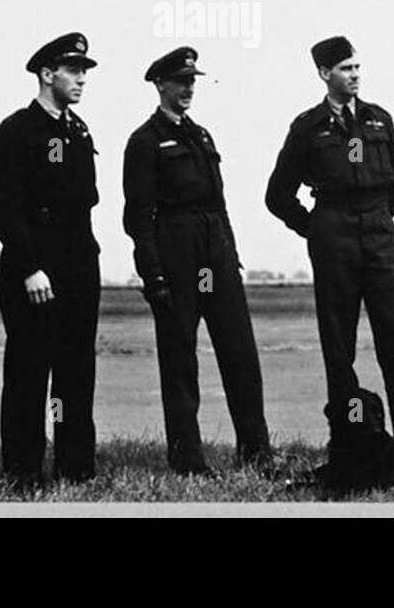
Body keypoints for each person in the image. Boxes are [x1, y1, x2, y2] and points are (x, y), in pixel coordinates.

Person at [265, 36, 394, 472]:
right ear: (324, 74)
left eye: (357, 68)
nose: (354, 75)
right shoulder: (307, 127)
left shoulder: (380, 120)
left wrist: (374, 218)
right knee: (339, 348)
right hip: (333, 235)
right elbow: (277, 195)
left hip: (377, 233)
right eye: (345, 69)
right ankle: (351, 446)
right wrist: (316, 229)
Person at [122, 46, 271, 475]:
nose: (188, 88)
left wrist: (231, 254)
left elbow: (219, 202)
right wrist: (153, 274)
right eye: (180, 81)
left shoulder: (202, 136)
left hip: (214, 255)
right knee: (180, 359)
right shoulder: (145, 142)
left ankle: (257, 453)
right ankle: (188, 458)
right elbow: (138, 216)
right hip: (175, 250)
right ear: (159, 85)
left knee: (240, 352)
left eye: (192, 81)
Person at [0, 32, 101, 486]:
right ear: (46, 74)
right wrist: (31, 266)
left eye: (84, 72)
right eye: (73, 70)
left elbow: (85, 200)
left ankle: (76, 468)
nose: (81, 79)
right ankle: (23, 471)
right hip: (33, 266)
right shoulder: (17, 131)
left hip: (78, 262)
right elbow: (3, 206)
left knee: (76, 369)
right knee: (29, 371)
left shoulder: (78, 130)